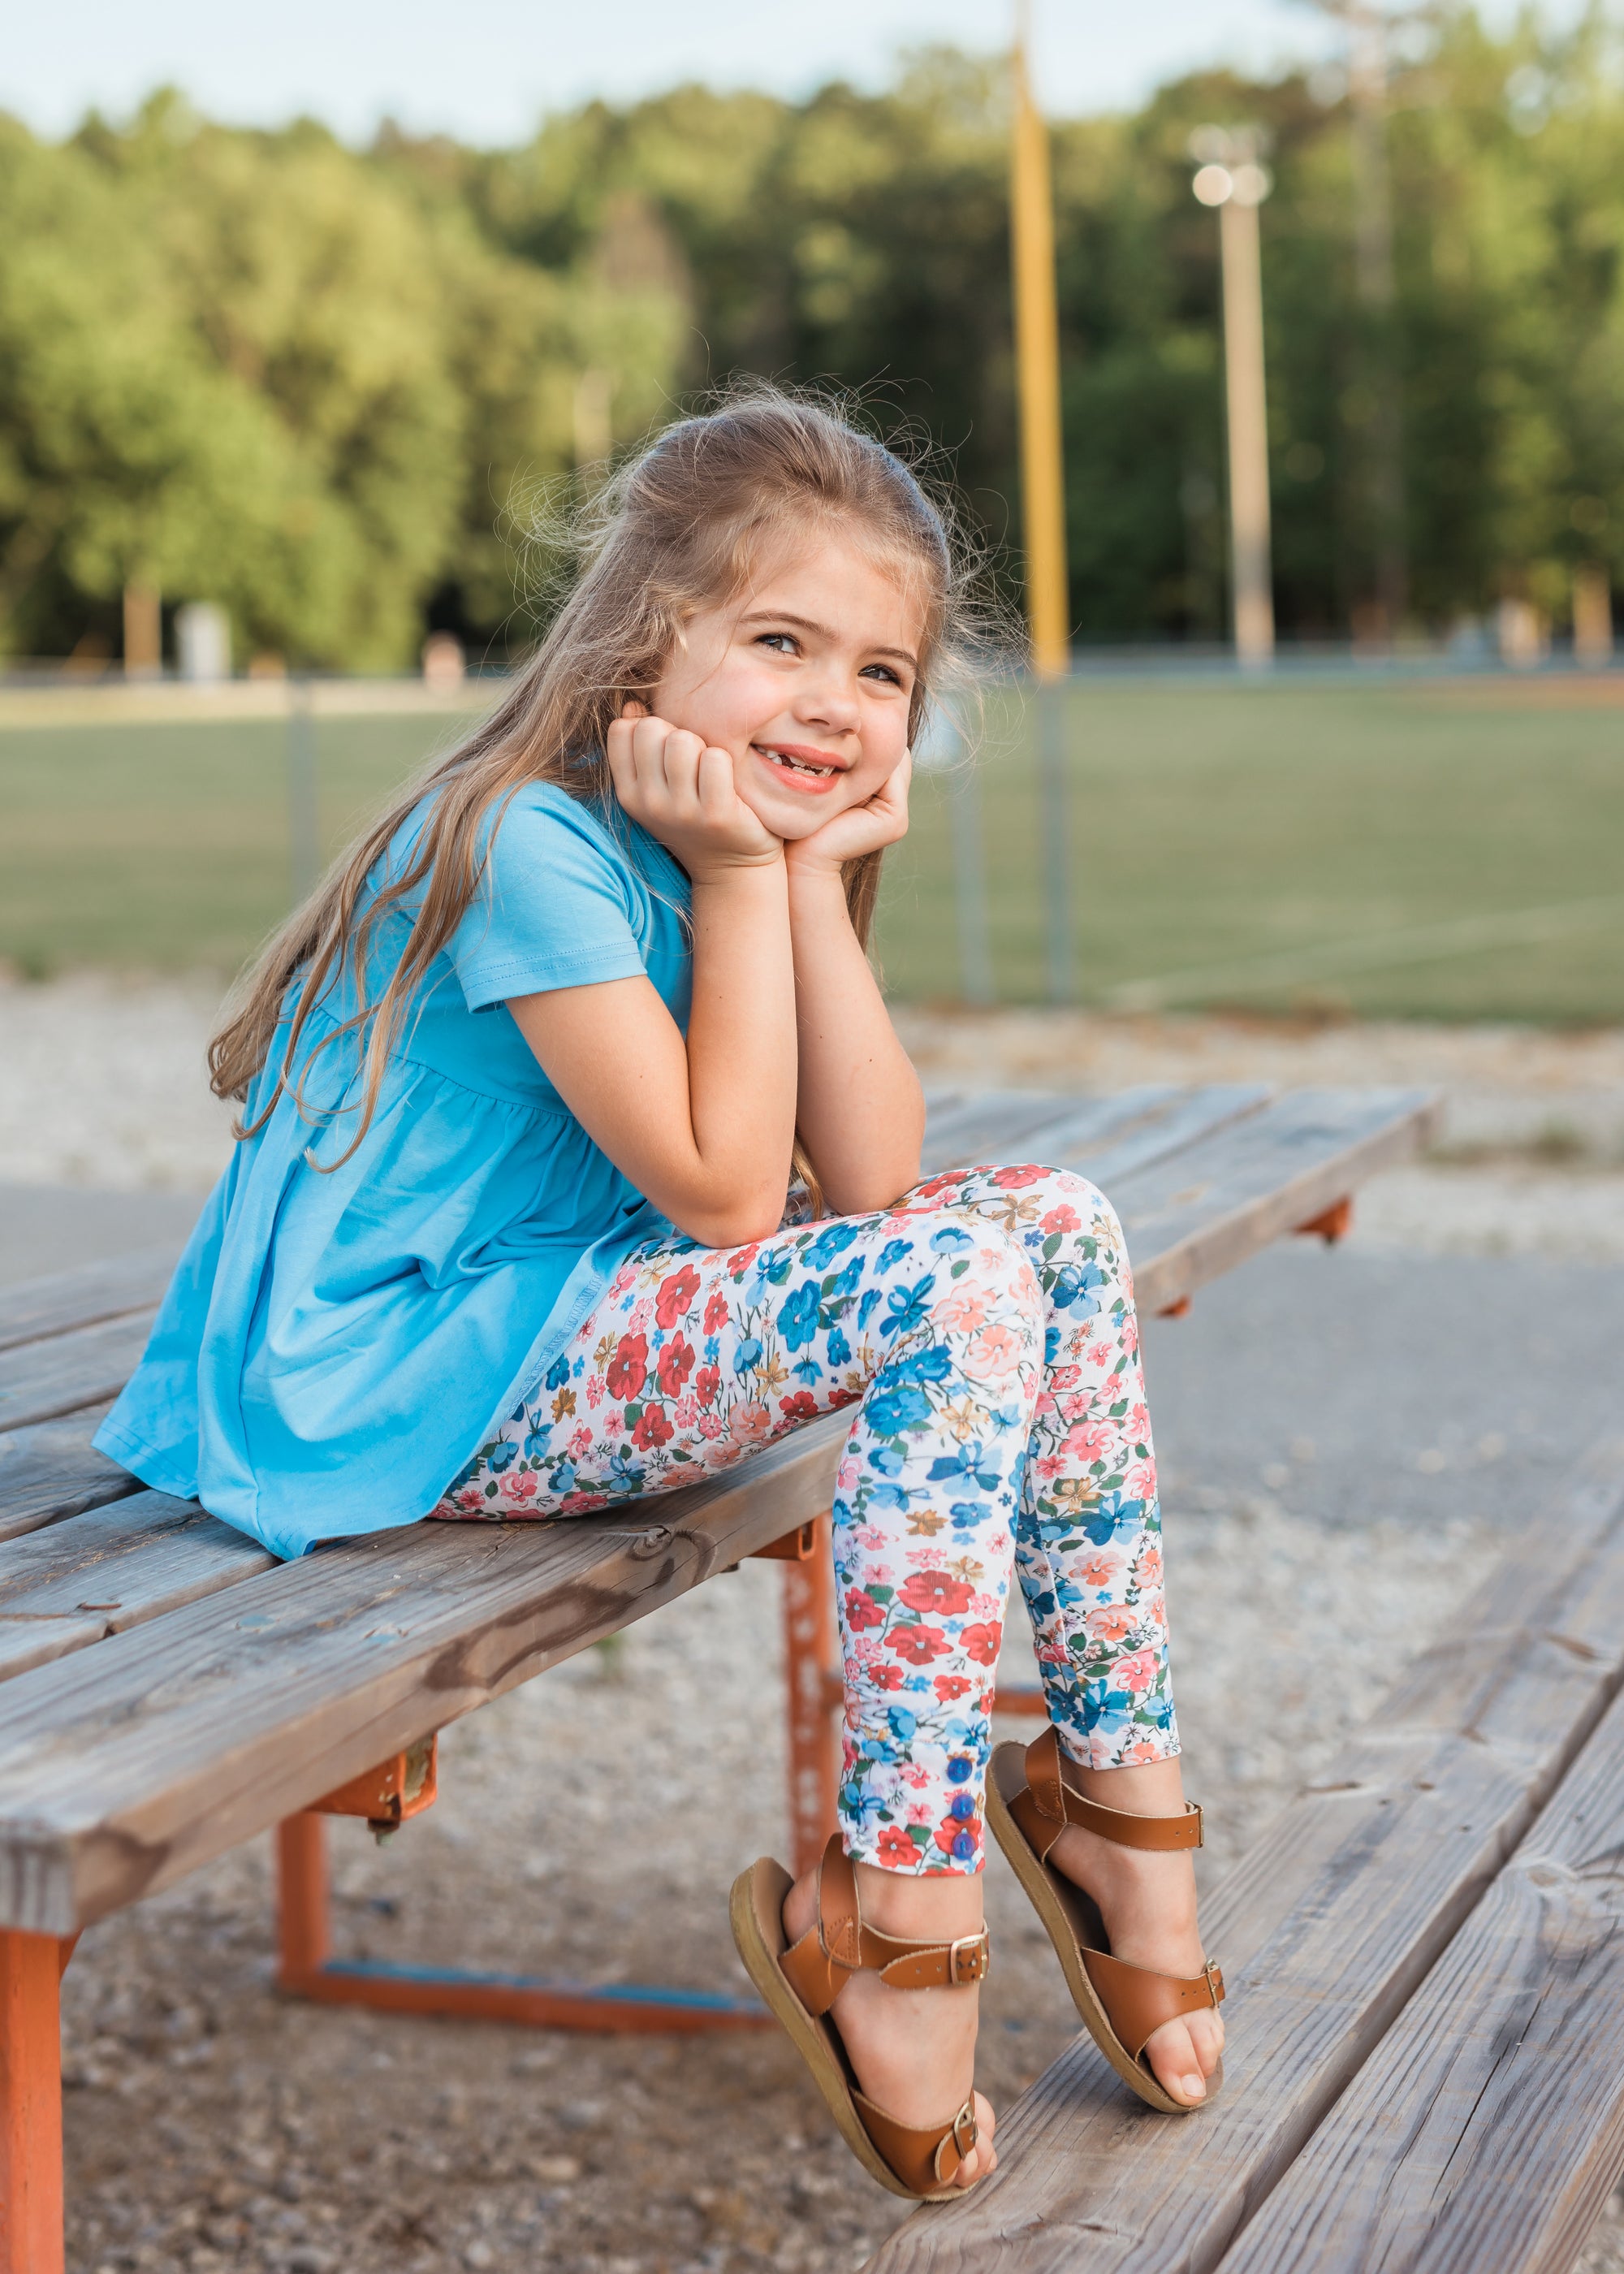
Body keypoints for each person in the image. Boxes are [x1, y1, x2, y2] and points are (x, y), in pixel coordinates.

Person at [97, 390, 1224, 2202]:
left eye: (879, 672)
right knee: (957, 1287)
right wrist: (745, 871)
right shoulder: (524, 841)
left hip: (551, 1326)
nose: (834, 702)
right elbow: (724, 1194)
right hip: (388, 1376)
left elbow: (866, 1180)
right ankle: (901, 1908)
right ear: (648, 637)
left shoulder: (729, 847)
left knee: (1060, 1227)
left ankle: (1120, 1814)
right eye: (780, 642)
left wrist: (801, 877)